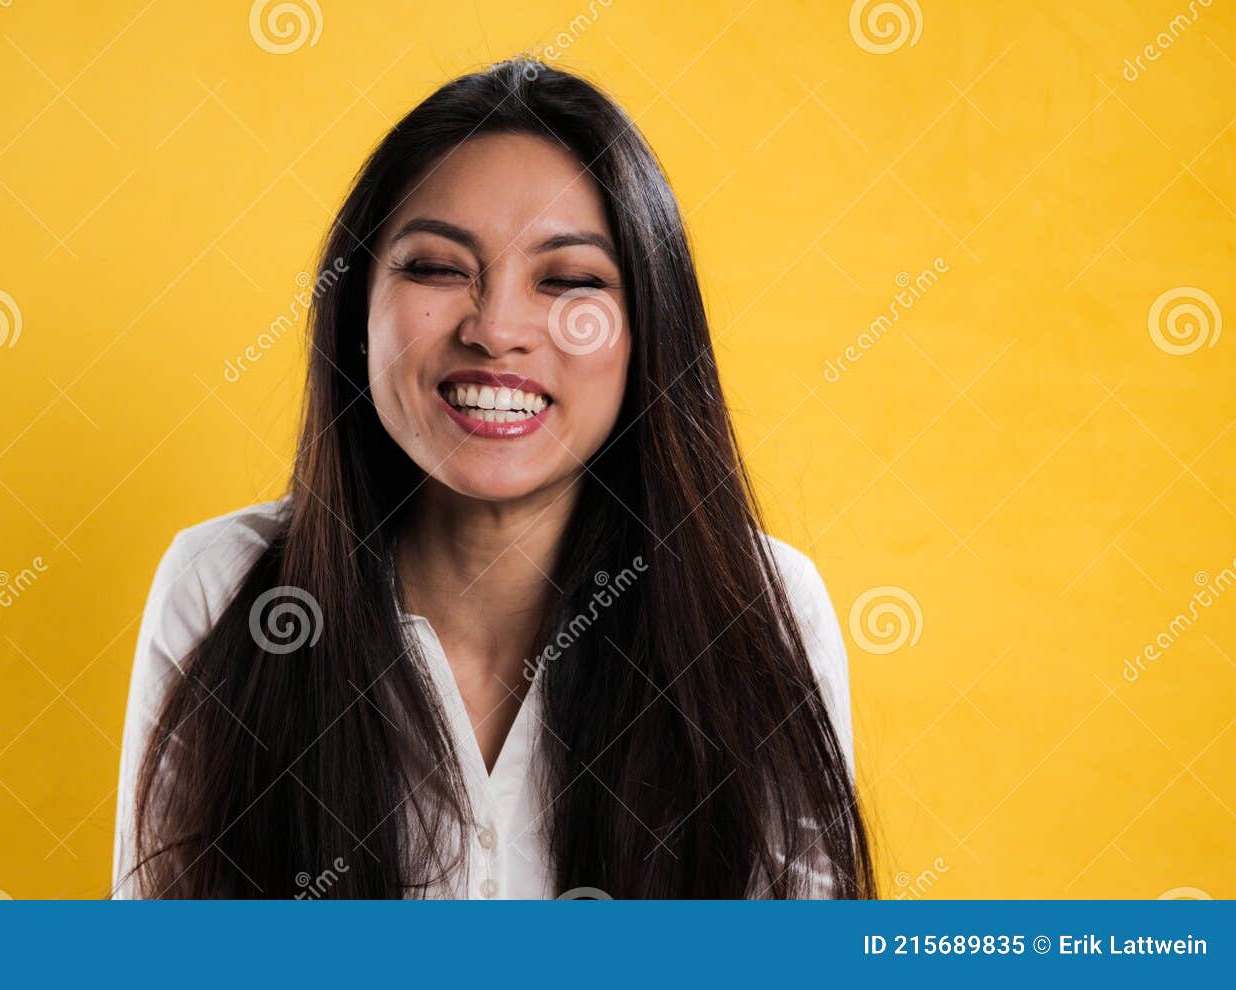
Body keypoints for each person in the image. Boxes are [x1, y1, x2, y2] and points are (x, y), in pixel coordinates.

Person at [112, 57, 874, 899]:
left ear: (649, 328)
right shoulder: (224, 589)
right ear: (355, 306)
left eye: (571, 281)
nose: (496, 329)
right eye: (437, 269)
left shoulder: (762, 609)